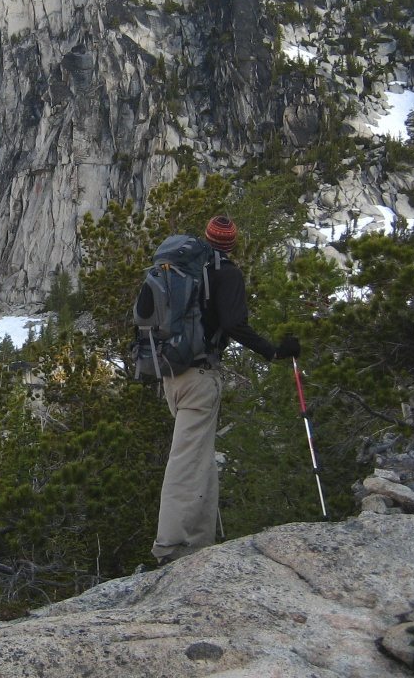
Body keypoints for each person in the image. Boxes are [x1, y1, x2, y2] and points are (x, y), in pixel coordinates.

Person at [151, 215, 299, 565]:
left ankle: (198, 545)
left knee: (200, 458)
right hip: (200, 377)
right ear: (232, 244)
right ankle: (170, 547)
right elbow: (234, 324)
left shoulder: (179, 270)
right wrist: (272, 351)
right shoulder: (226, 273)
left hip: (172, 375)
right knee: (187, 462)